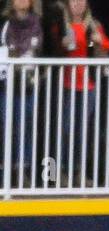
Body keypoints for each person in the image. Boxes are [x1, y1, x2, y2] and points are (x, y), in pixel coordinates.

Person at [56, 0, 109, 188]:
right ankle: (61, 172)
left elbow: (107, 45)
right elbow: (52, 46)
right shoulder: (61, 24)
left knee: (83, 131)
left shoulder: (93, 24)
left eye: (81, 1)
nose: (78, 4)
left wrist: (99, 40)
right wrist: (61, 44)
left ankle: (79, 171)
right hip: (67, 84)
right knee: (65, 130)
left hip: (88, 85)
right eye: (74, 1)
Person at [1, 0, 46, 185]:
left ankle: (23, 169)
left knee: (26, 127)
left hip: (29, 84)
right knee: (5, 127)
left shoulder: (38, 22)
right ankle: (5, 169)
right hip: (6, 84)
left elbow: (40, 49)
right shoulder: (4, 23)